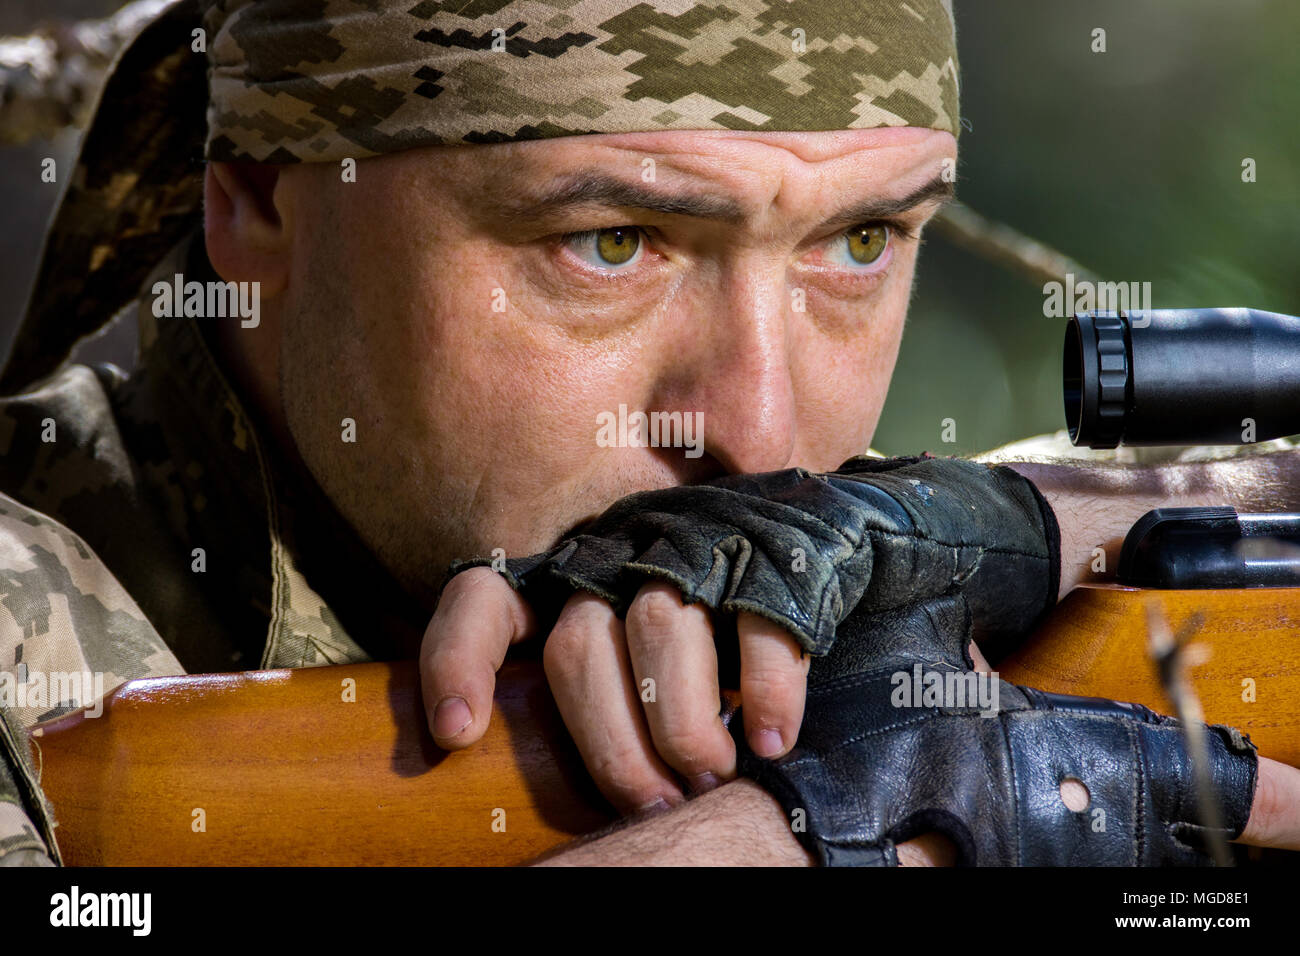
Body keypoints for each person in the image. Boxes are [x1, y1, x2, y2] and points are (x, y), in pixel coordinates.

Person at [0, 0, 1296, 867]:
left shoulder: (939, 584)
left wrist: (1017, 524)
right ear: (256, 203)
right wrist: (820, 840)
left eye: (858, 242)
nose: (764, 434)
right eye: (611, 244)